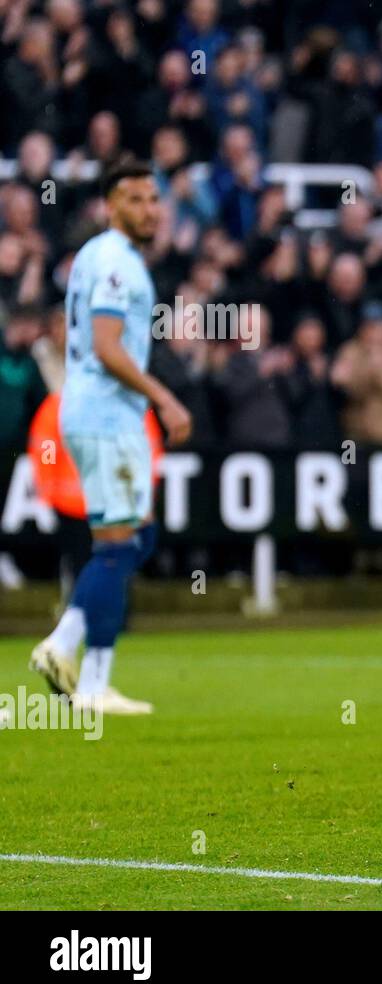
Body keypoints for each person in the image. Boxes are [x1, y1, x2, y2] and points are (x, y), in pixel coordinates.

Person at [28, 157, 193, 714]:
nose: (149, 209)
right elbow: (106, 345)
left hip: (94, 411)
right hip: (106, 413)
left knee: (134, 539)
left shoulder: (96, 257)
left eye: (154, 198)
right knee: (118, 546)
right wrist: (164, 397)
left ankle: (80, 664)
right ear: (110, 204)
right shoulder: (118, 262)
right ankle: (77, 663)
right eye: (135, 198)